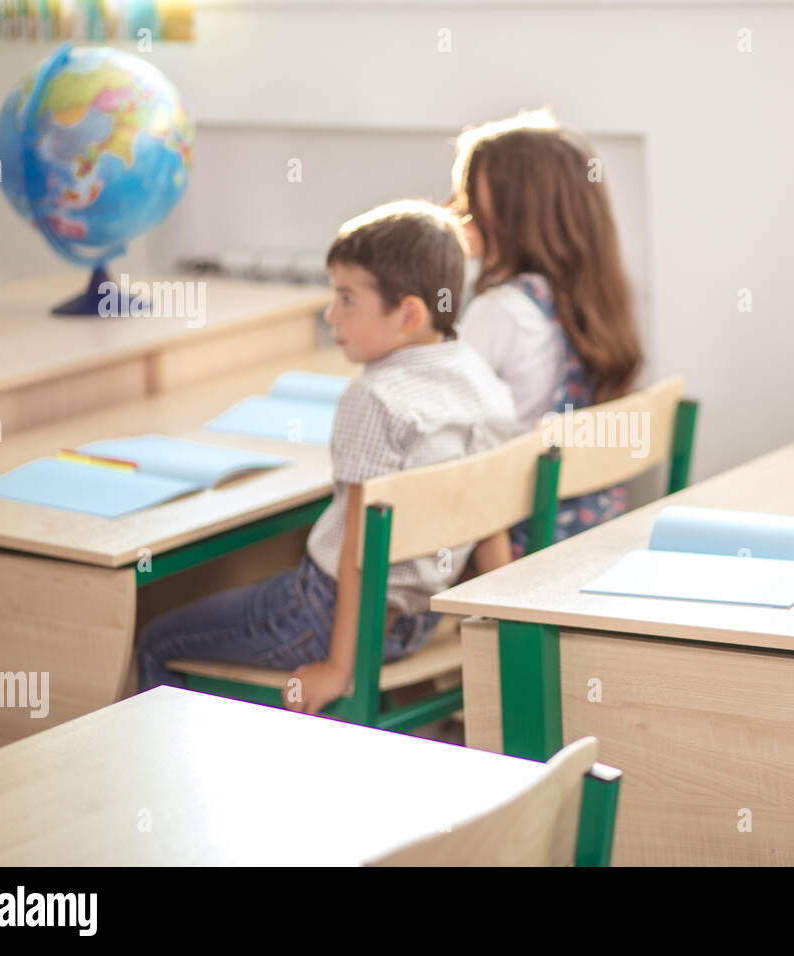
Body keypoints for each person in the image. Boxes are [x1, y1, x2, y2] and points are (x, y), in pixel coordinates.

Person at [136, 200, 517, 714]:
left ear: (408, 314)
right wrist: (506, 626)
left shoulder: (374, 398)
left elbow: (357, 550)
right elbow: (487, 511)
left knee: (157, 639)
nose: (330, 314)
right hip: (418, 622)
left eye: (346, 299)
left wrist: (342, 669)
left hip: (326, 619)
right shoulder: (478, 377)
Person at [449, 110, 644, 558]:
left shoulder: (499, 312)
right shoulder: (594, 298)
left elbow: (454, 442)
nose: (457, 210)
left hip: (517, 550)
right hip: (589, 541)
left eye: (467, 196)